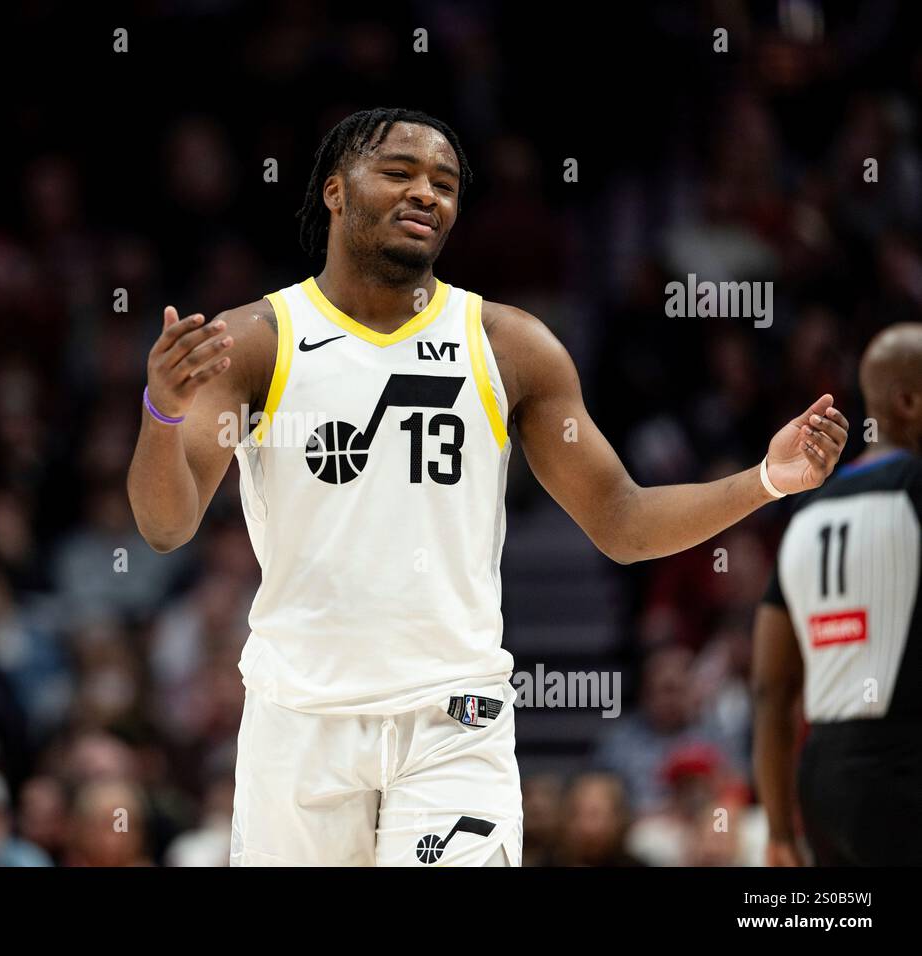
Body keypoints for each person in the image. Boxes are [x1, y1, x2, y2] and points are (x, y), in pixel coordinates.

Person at [128, 107, 849, 867]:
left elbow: (624, 521)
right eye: (400, 173)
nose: (425, 194)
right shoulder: (255, 341)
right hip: (298, 721)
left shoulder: (511, 345)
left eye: (443, 183)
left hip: (454, 721)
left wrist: (769, 480)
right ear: (335, 192)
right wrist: (160, 414)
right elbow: (166, 525)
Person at [753, 322, 922, 866]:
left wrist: (780, 832)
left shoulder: (806, 511)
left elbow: (769, 693)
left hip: (821, 782)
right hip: (905, 770)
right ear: (909, 402)